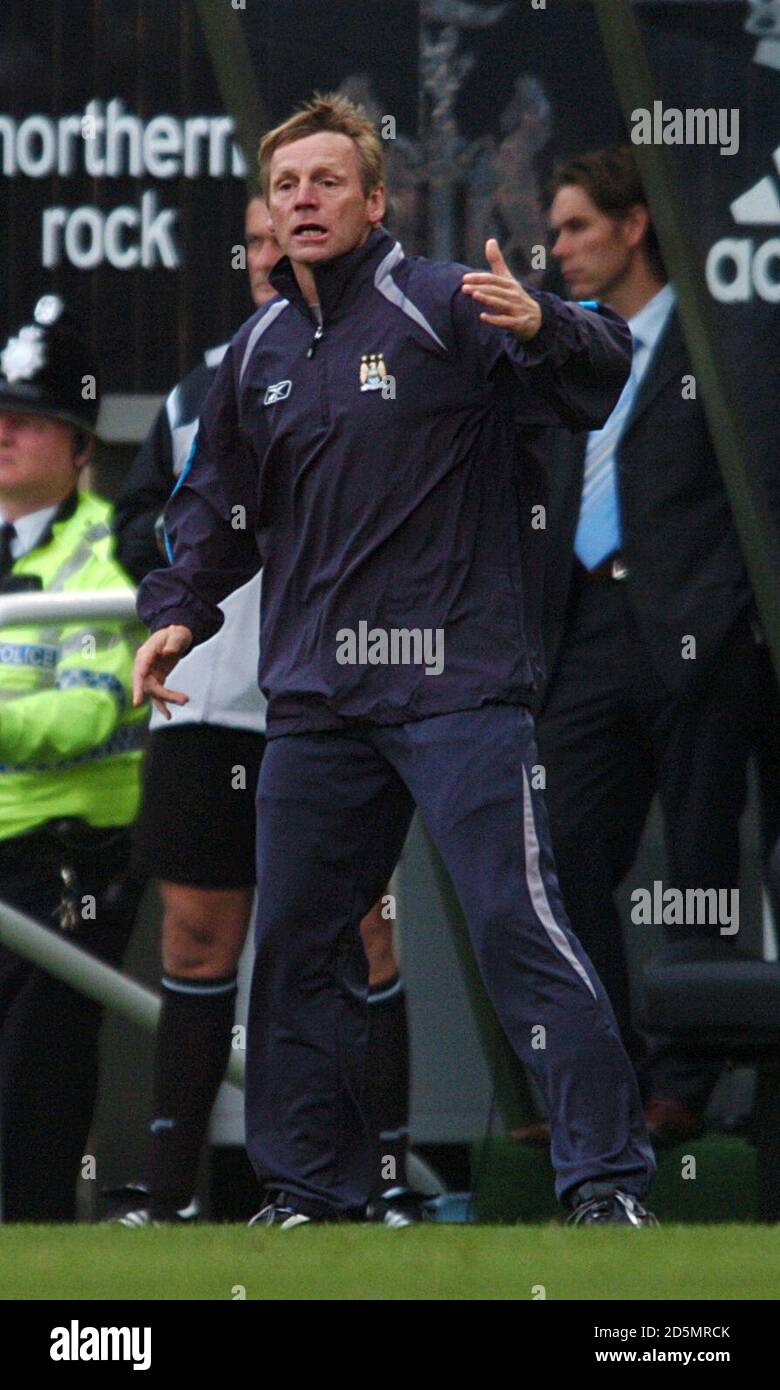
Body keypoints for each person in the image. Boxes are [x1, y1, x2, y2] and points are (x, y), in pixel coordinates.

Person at [134, 93, 657, 1228]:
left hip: (459, 685)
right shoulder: (257, 350)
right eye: (287, 187)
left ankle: (606, 1182)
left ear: (378, 201)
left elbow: (606, 365)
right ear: (267, 213)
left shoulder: (444, 304)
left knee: (516, 922)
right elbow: (215, 506)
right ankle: (309, 1193)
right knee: (298, 948)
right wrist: (178, 609)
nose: (304, 200)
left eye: (328, 182)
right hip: (317, 702)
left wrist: (543, 325)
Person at [109, 192, 409, 1225]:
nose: (271, 252)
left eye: (291, 234)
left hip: (340, 693)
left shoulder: (391, 360)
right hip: (209, 699)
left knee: (363, 930)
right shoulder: (208, 382)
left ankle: (382, 1185)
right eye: (256, 239)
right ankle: (170, 1195)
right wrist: (201, 563)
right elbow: (140, 519)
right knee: (196, 938)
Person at [531, 145, 780, 1145]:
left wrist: (723, 610)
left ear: (635, 226)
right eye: (553, 232)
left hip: (696, 628)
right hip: (584, 626)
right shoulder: (564, 347)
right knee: (565, 853)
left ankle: (683, 1077)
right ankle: (605, 1079)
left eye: (578, 226)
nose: (561, 249)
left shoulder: (727, 338)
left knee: (702, 858)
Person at [0, 296, 147, 1221]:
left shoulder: (108, 552)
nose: (3, 435)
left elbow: (91, 711)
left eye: (27, 421)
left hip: (65, 856)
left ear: (82, 444)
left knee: (33, 1078)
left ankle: (39, 1255)